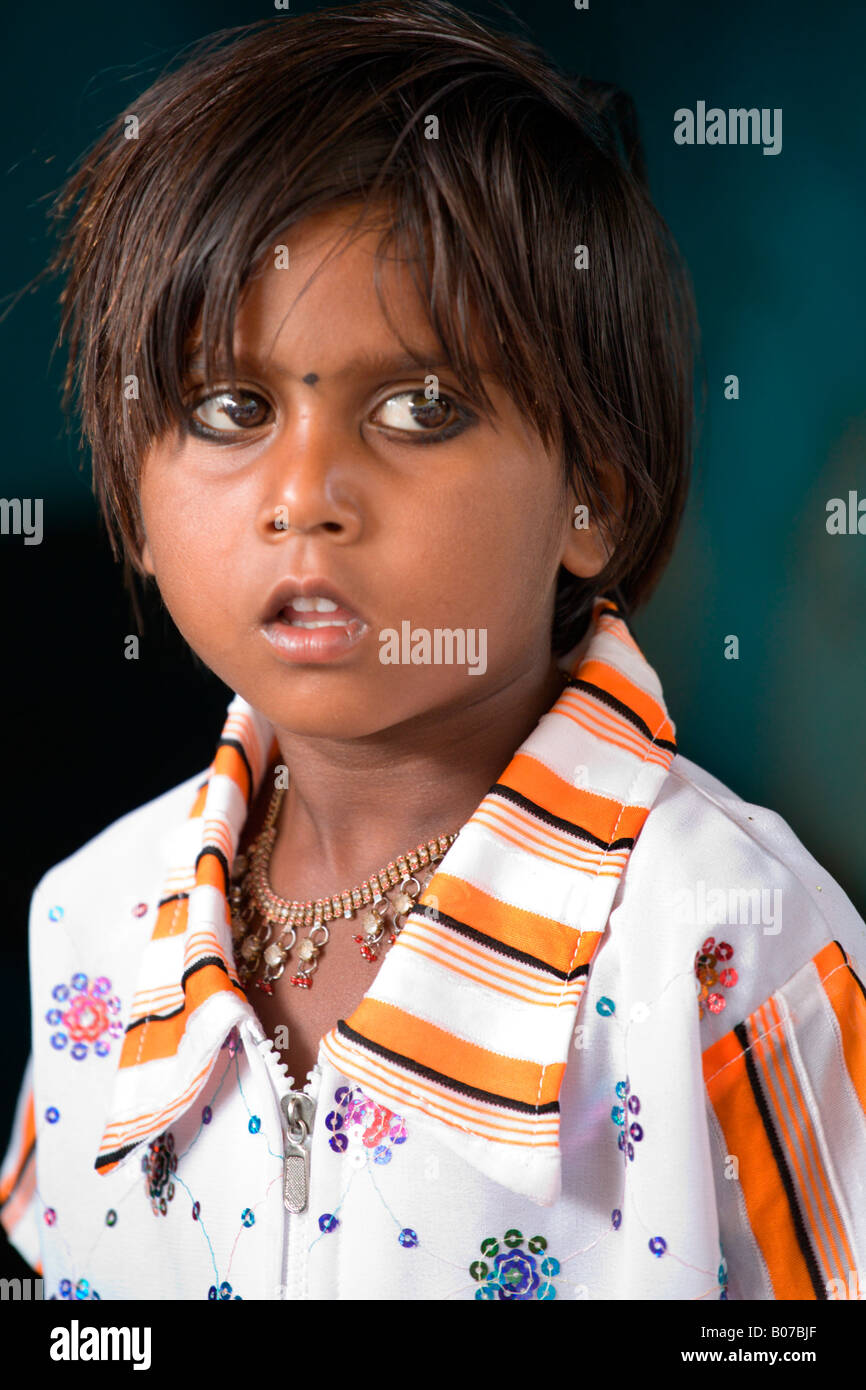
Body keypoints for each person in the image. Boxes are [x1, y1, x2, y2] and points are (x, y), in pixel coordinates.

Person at [2, 0, 865, 1302]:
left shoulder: (730, 943)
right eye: (230, 407)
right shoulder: (91, 920)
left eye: (419, 406)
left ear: (594, 496)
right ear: (131, 489)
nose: (304, 494)